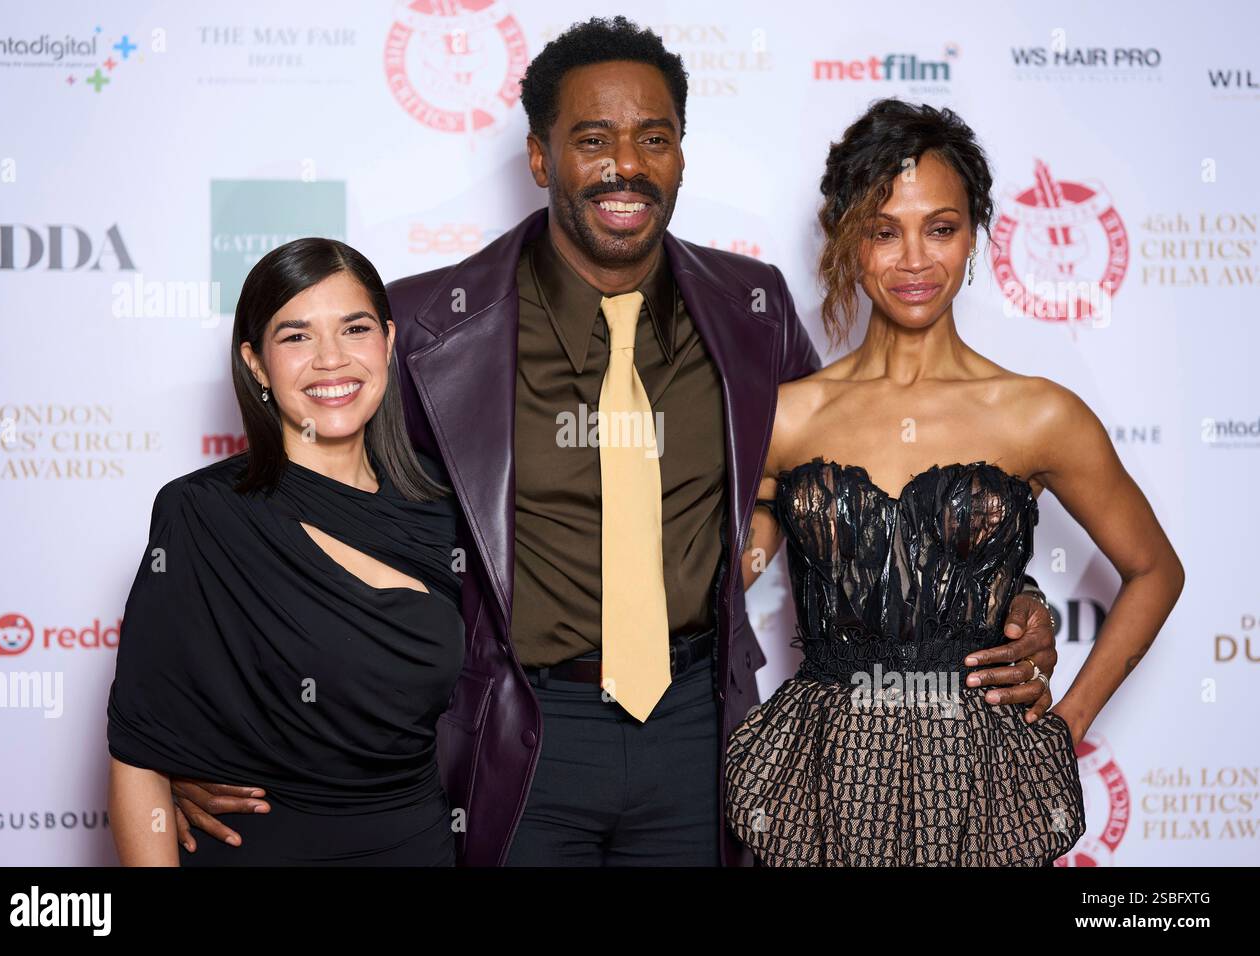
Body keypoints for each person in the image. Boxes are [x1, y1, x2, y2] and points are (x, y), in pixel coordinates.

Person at [167, 17, 1059, 868]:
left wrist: (1009, 592)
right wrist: (196, 726)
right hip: (519, 727)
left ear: (679, 153)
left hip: (697, 728)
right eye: (593, 139)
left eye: (654, 139)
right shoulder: (432, 323)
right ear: (539, 155)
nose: (624, 166)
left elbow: (850, 472)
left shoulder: (751, 310)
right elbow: (310, 504)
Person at [726, 99, 1185, 866]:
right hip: (824, 779)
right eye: (883, 230)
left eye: (940, 228)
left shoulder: (1037, 414)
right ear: (847, 239)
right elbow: (714, 576)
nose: (914, 260)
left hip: (980, 788)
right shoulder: (786, 417)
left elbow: (1154, 571)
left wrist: (1064, 726)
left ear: (975, 236)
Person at [106, 238, 464, 866]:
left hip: (417, 848)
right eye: (296, 337)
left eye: (353, 329)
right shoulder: (201, 514)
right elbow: (139, 759)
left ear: (386, 340)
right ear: (256, 363)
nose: (331, 360)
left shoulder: (449, 508)